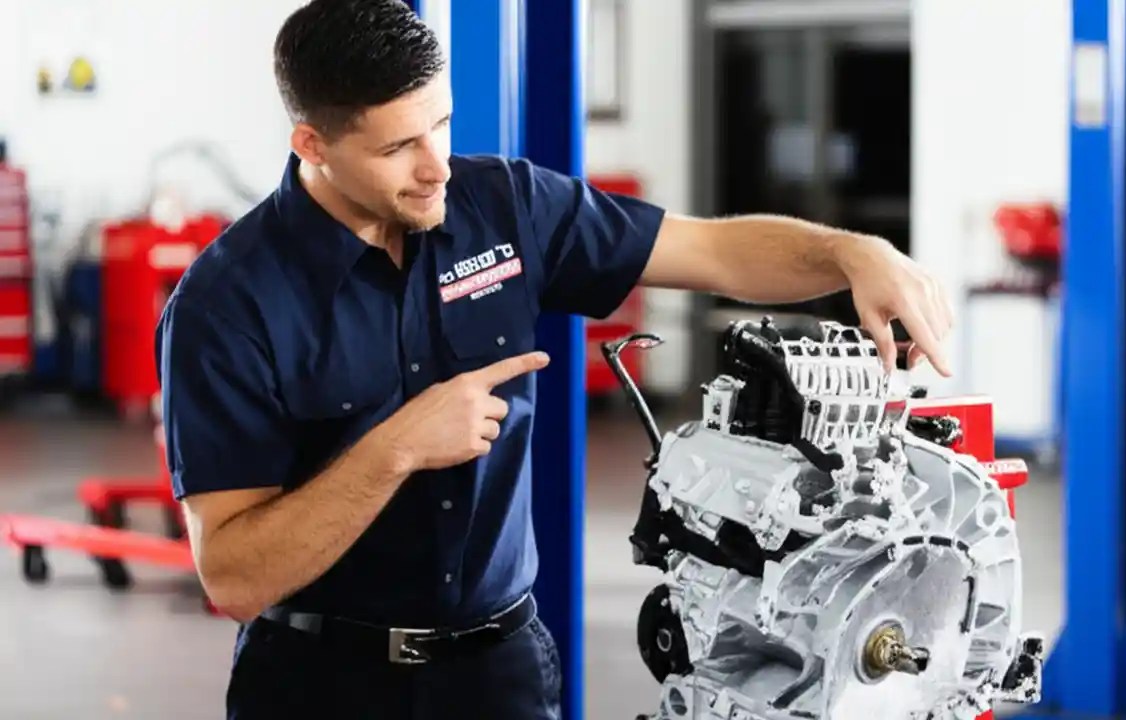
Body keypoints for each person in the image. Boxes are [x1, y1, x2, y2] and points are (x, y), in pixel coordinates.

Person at [156, 0, 954, 717]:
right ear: (312, 143)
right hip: (322, 686)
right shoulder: (227, 304)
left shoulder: (503, 206)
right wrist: (394, 450)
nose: (437, 165)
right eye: (398, 146)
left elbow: (712, 250)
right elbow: (235, 577)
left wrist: (851, 254)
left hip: (498, 674)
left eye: (441, 124)